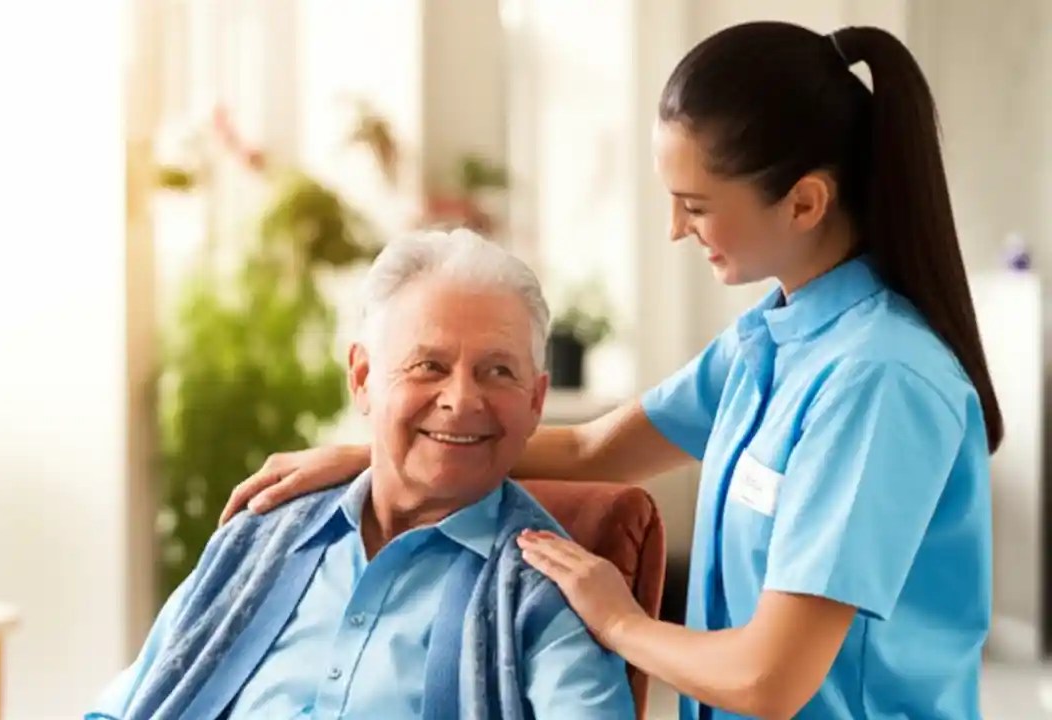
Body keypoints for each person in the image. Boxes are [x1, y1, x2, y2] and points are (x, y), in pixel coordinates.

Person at [219, 21, 1003, 720]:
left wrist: (620, 619)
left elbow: (770, 679)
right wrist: (374, 456)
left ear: (803, 204)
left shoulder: (878, 381)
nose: (675, 229)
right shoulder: (769, 340)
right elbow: (595, 448)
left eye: (696, 205)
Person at [89, 229, 635, 720]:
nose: (462, 400)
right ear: (363, 377)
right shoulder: (260, 535)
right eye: (429, 366)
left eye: (498, 371)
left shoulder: (549, 594)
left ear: (536, 401)